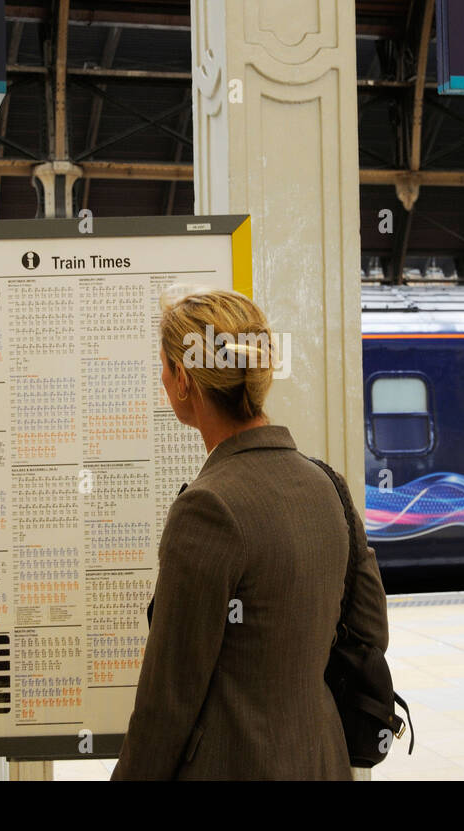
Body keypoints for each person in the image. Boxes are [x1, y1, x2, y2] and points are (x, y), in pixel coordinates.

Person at [111, 286, 389, 780]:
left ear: (183, 381)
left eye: (164, 366)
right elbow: (370, 631)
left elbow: (168, 699)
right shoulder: (328, 486)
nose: (163, 379)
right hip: (322, 760)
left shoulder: (208, 507)